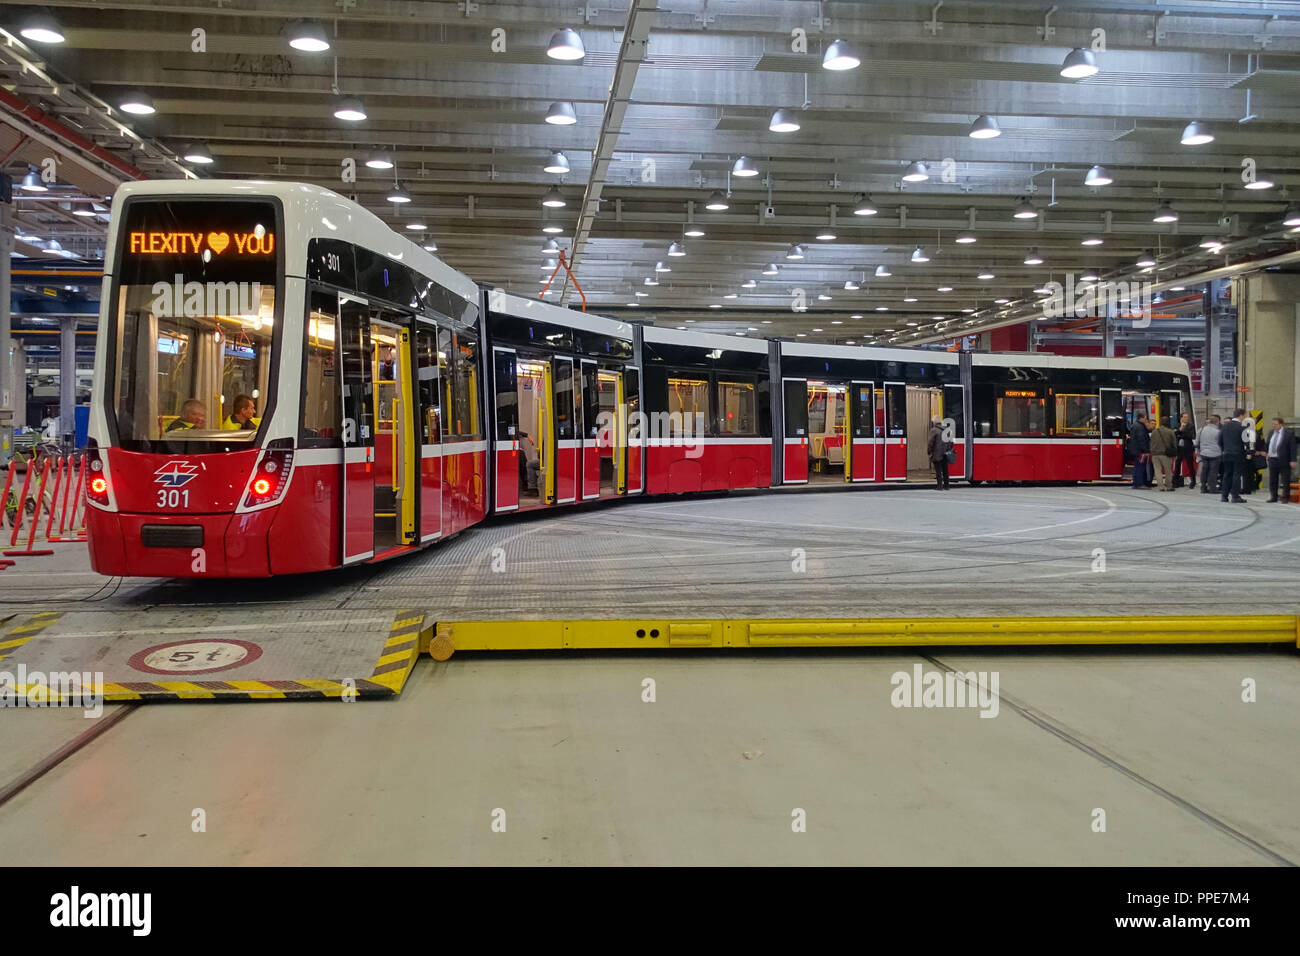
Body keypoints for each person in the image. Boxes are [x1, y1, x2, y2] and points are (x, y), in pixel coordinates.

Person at [1219, 408, 1249, 504]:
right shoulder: (1242, 427)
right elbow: (1246, 442)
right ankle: (1235, 496)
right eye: (1244, 415)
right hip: (1238, 454)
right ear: (1241, 415)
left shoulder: (1224, 426)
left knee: (1227, 474)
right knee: (1236, 475)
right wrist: (1248, 452)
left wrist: (1225, 449)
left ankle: (1224, 496)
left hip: (1226, 453)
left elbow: (1219, 441)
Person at [1265, 417, 1297, 503]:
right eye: (1273, 424)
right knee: (1273, 479)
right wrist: (1267, 453)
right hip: (1272, 459)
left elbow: (1293, 447)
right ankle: (1273, 496)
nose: (1274, 426)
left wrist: (1293, 460)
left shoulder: (1288, 433)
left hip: (1284, 460)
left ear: (1281, 424)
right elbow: (1268, 444)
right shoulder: (1271, 432)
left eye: (1275, 424)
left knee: (1285, 479)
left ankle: (1285, 497)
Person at [1149, 415, 1177, 491]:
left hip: (1155, 454)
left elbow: (1151, 442)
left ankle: (1160, 486)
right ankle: (1168, 486)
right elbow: (1174, 443)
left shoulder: (1154, 431)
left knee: (1157, 470)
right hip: (1166, 454)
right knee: (1168, 471)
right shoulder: (1170, 432)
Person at [1195, 414, 1221, 495]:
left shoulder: (1201, 429)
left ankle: (1203, 487)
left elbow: (1197, 442)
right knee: (1213, 471)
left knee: (1204, 470)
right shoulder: (1218, 432)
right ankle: (1212, 488)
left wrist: (1198, 452)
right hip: (1215, 454)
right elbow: (1220, 443)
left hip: (1204, 453)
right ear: (1217, 422)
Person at [925, 419, 952, 490]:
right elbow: (951, 442)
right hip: (945, 453)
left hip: (937, 453)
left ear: (934, 422)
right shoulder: (947, 430)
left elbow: (931, 443)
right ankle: (947, 486)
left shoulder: (934, 430)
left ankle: (940, 486)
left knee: (938, 471)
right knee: (945, 470)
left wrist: (929, 451)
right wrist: (948, 449)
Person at [1127, 414, 1152, 488]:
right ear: (1141, 418)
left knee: (1137, 467)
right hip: (1140, 451)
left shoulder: (1134, 425)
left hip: (1135, 450)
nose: (1146, 420)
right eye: (1145, 418)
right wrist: (1146, 450)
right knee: (1140, 467)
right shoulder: (1140, 427)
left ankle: (1136, 483)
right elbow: (1142, 439)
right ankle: (1139, 484)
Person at [1174, 412, 1196, 489]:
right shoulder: (1178, 425)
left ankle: (1193, 481)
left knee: (1190, 465)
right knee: (1177, 464)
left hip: (1188, 447)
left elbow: (1191, 435)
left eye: (1187, 417)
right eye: (1185, 417)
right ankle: (1176, 481)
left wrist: (1181, 432)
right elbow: (1175, 433)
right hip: (1179, 448)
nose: (1186, 418)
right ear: (1181, 418)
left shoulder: (1191, 426)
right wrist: (1180, 430)